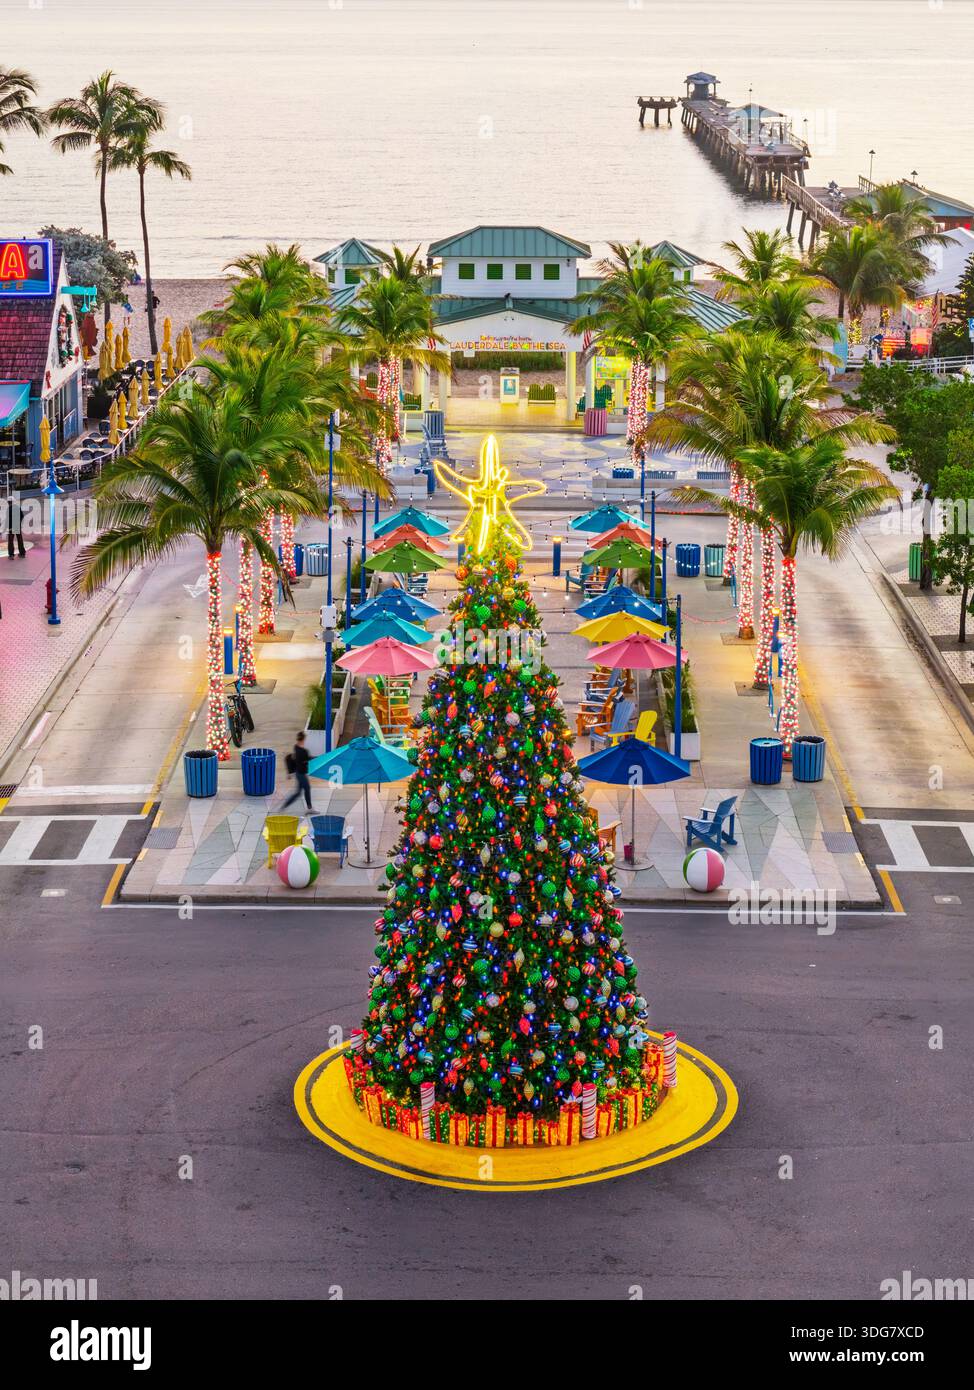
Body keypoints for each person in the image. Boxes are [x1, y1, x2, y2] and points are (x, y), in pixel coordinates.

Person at [281, 731, 313, 811]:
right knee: (307, 788)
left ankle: (285, 805)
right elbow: (308, 760)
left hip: (298, 773)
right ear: (303, 739)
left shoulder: (296, 747)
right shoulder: (303, 751)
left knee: (298, 792)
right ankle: (309, 808)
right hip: (301, 774)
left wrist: (289, 772)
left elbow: (290, 758)